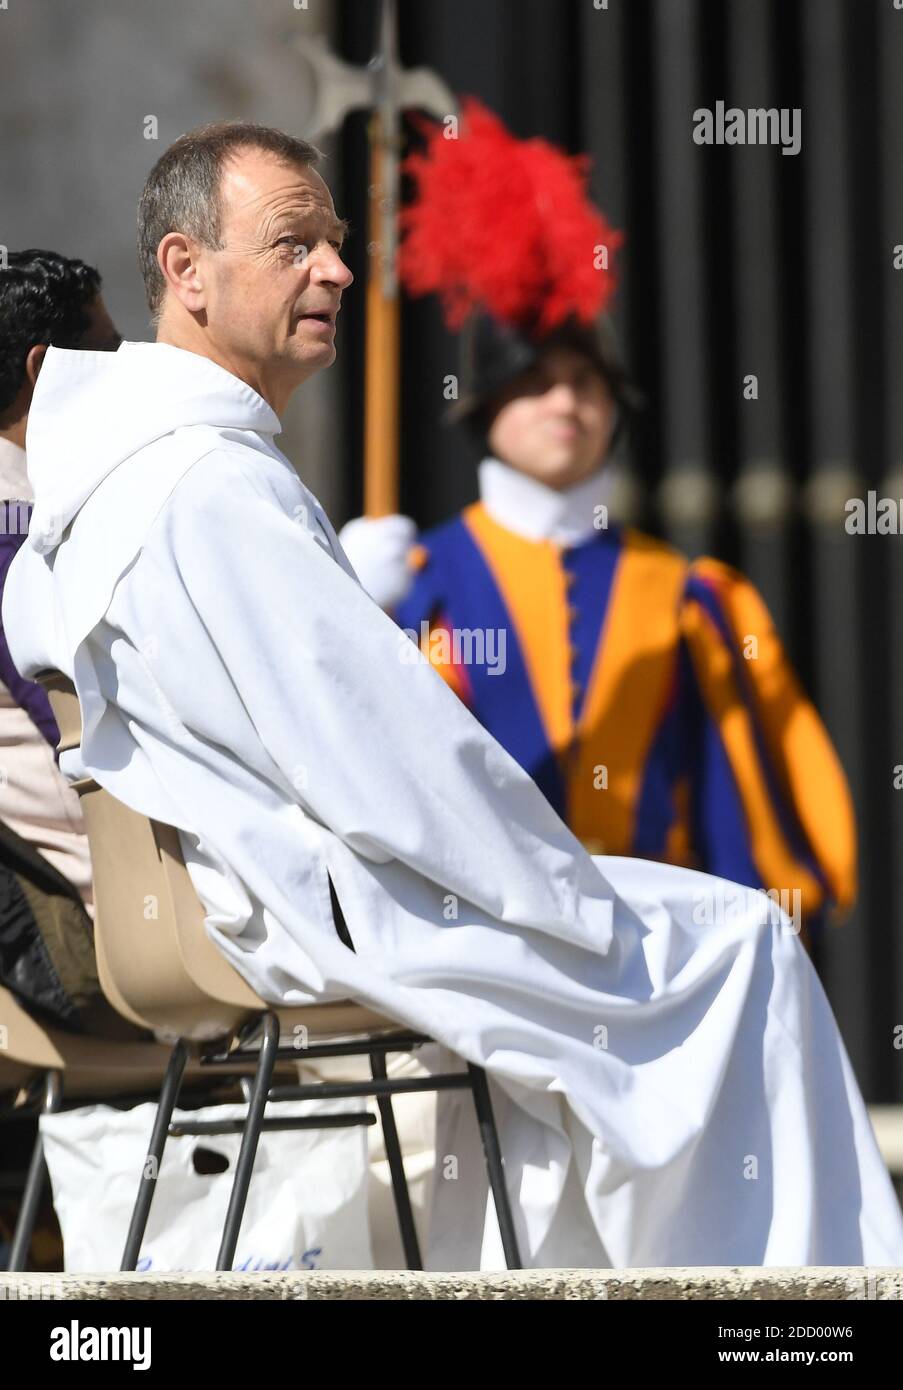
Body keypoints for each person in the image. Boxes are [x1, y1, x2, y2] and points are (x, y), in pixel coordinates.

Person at [4, 120, 901, 1269]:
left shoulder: (118, 474)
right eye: (293, 243)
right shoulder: (207, 481)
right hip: (316, 913)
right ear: (186, 270)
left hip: (251, 910)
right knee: (739, 943)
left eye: (335, 241)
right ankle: (787, 1310)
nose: (336, 268)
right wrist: (559, 887)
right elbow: (395, 770)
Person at [340, 100, 856, 945]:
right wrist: (350, 614)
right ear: (485, 408)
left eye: (585, 380)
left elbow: (744, 820)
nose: (565, 402)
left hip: (654, 943)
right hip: (472, 945)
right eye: (536, 381)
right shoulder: (413, 584)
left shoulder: (694, 599)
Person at [0, 250, 128, 1034]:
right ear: (43, 368)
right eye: (108, 352)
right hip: (98, 934)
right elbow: (89, 745)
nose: (126, 371)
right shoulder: (20, 536)